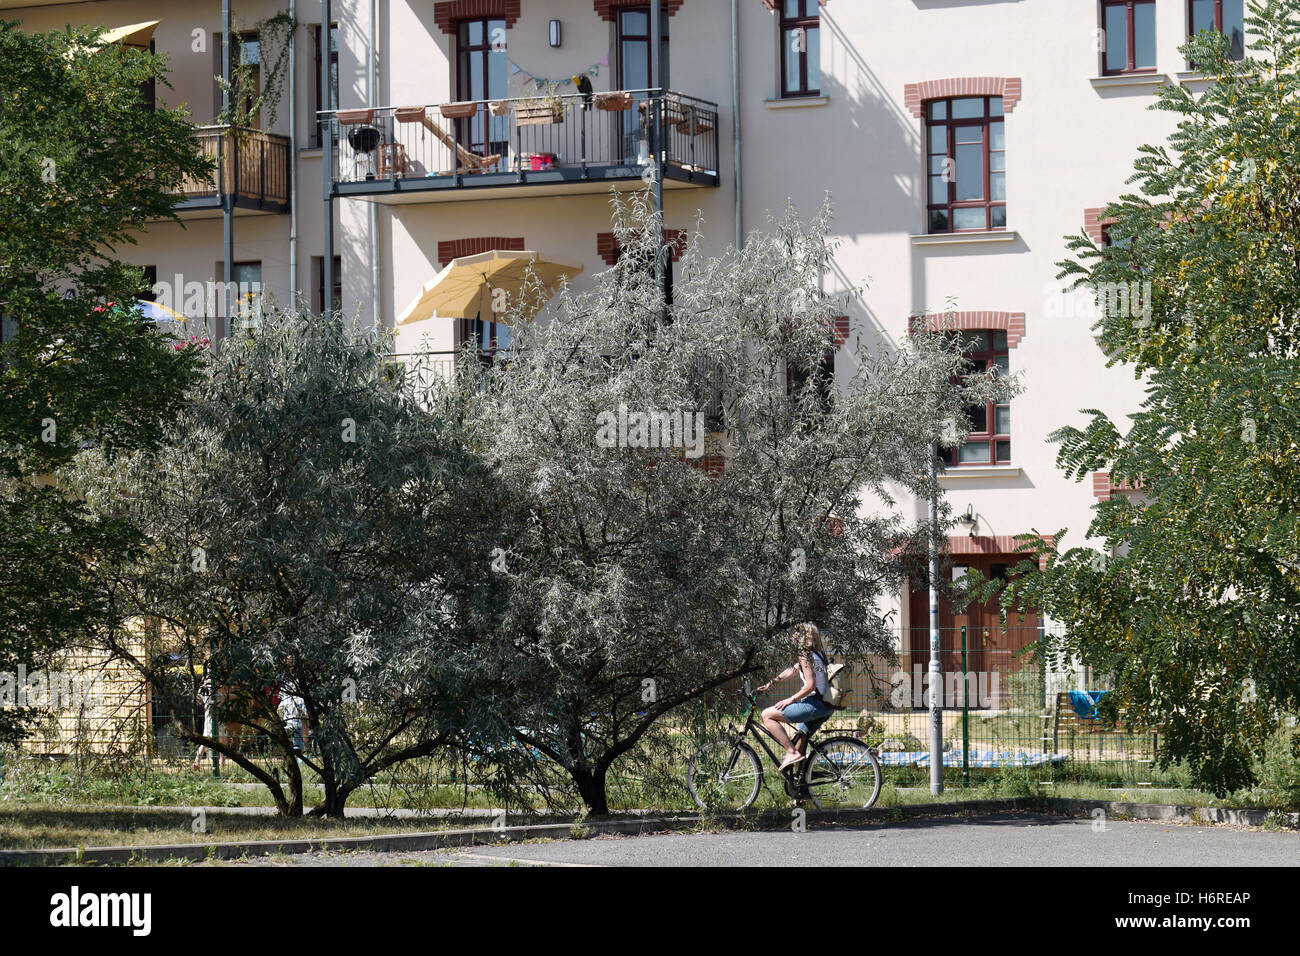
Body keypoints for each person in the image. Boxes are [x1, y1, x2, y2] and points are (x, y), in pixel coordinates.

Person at [757, 622, 834, 771]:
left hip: (814, 705)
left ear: (803, 637)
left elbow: (810, 685)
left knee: (767, 715)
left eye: (796, 633)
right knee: (801, 740)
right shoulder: (818, 654)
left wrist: (790, 700)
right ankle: (801, 787)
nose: (793, 636)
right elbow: (792, 670)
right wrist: (772, 682)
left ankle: (790, 753)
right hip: (826, 705)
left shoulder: (805, 655)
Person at [191, 677, 224, 771]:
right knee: (219, 739)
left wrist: (204, 704)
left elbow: (198, 698)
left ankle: (197, 761)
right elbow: (222, 701)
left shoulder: (204, 691)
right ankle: (221, 761)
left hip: (211, 717)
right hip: (214, 717)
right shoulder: (214, 692)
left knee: (207, 740)